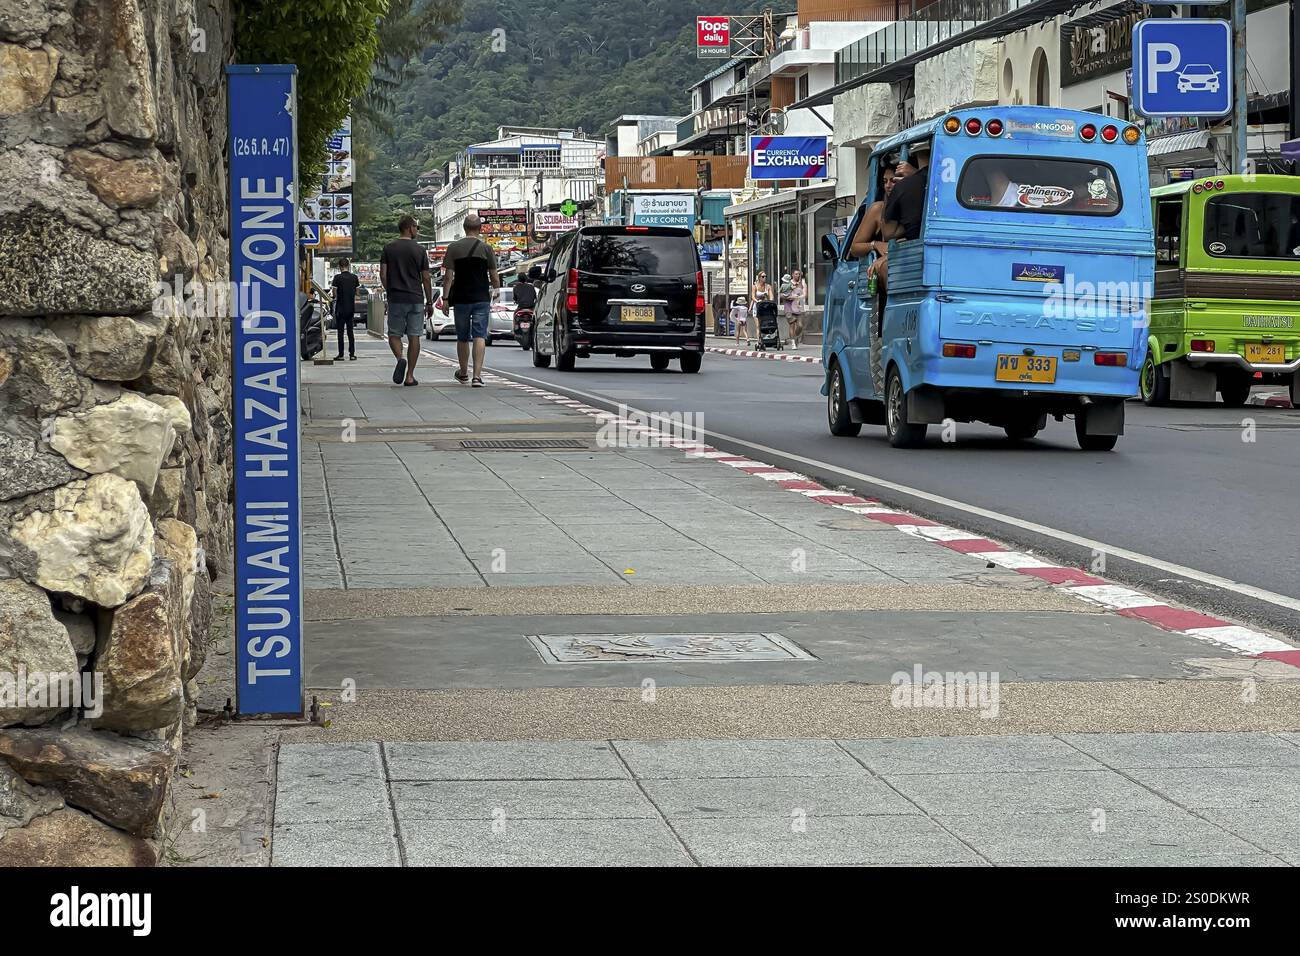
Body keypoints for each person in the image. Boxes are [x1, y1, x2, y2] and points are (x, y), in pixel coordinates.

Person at [440, 213, 500, 387]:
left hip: (461, 299)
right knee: (479, 335)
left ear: (464, 228)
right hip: (481, 297)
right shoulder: (486, 248)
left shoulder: (453, 248)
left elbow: (448, 277)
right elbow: (494, 275)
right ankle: (477, 376)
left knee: (462, 337)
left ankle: (464, 372)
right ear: (480, 229)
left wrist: (445, 298)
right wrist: (495, 292)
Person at [379, 214, 433, 386]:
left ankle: (400, 358)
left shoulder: (388, 248)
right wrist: (429, 301)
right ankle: (410, 376)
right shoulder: (419, 250)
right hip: (416, 298)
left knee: (394, 334)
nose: (416, 230)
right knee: (414, 336)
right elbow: (426, 278)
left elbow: (383, 274)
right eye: (416, 227)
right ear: (410, 228)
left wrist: (391, 290)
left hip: (396, 298)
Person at [882, 143, 930, 242]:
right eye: (885, 181)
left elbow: (888, 233)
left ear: (914, 153)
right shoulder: (955, 181)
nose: (888, 185)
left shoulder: (903, 186)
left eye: (892, 180)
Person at [330, 258, 360, 361]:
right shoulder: (354, 277)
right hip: (351, 308)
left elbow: (334, 292)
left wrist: (336, 297)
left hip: (340, 308)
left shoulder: (337, 278)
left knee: (340, 332)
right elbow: (357, 292)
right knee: (350, 332)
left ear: (339, 266)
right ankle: (352, 354)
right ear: (348, 265)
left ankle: (341, 354)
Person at [784, 268, 807, 347]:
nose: (797, 275)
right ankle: (793, 342)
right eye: (796, 274)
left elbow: (805, 294)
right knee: (792, 324)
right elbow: (783, 294)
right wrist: (790, 296)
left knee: (800, 325)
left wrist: (798, 297)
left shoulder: (803, 283)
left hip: (799, 307)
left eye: (799, 274)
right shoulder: (787, 283)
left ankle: (796, 336)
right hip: (789, 307)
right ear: (792, 275)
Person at [749, 270, 772, 346]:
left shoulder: (768, 286)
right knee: (758, 325)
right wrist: (757, 301)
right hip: (757, 307)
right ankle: (758, 340)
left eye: (765, 276)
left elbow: (771, 296)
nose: (764, 278)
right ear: (759, 278)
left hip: (765, 307)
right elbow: (752, 296)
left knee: (765, 323)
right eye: (763, 276)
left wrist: (770, 301)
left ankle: (764, 337)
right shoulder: (755, 286)